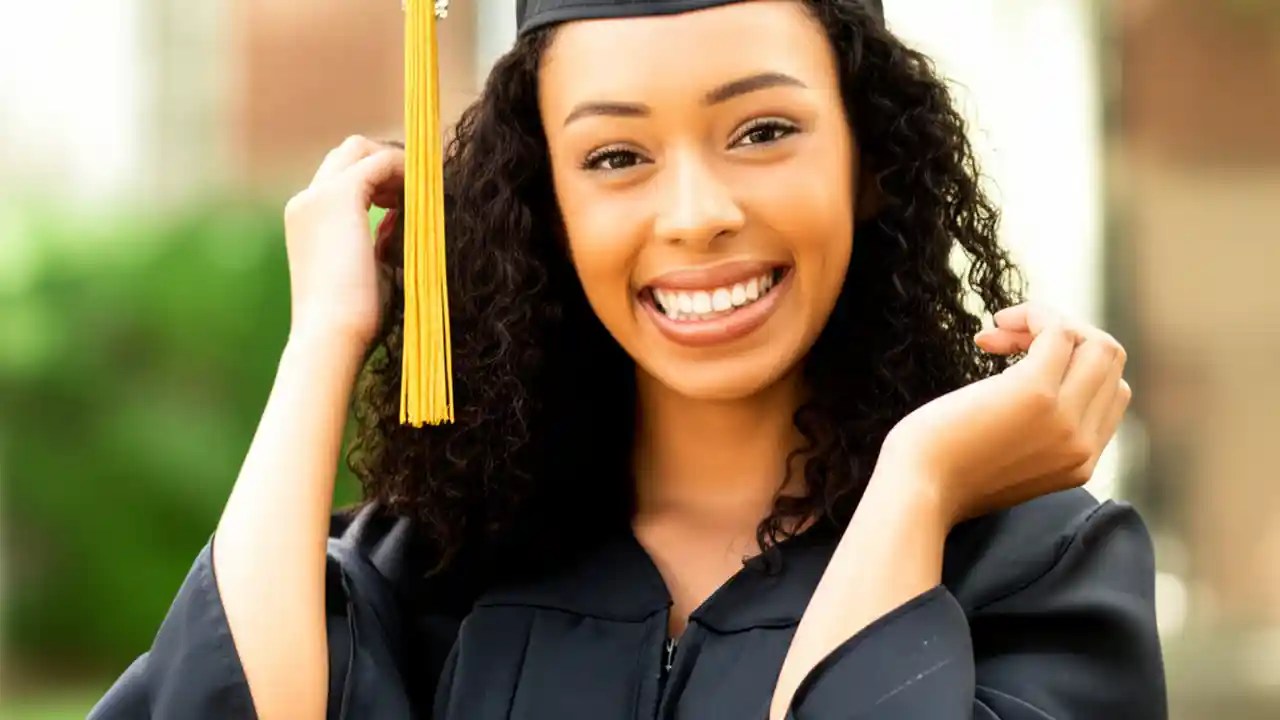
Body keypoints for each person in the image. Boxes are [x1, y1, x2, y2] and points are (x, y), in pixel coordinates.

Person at [89, 0, 1167, 718]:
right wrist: (324, 334)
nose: (694, 215)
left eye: (762, 132)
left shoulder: (1030, 574)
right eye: (614, 156)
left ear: (870, 160)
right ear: (541, 205)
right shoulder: (436, 571)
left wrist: (917, 489)